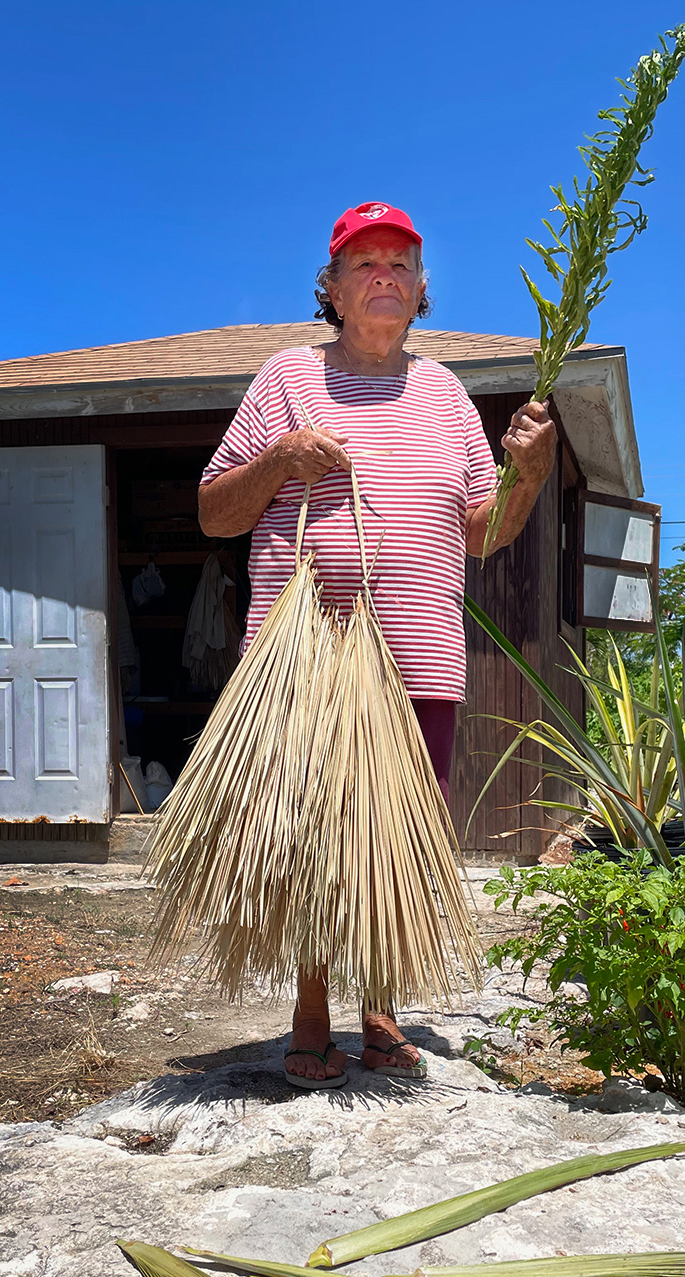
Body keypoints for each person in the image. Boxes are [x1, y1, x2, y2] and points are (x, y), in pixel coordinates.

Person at [199, 201, 557, 1088]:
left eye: (400, 262)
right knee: (313, 836)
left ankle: (380, 1011)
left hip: (420, 652)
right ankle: (309, 1014)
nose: (384, 275)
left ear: (422, 287)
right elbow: (214, 514)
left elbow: (484, 532)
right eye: (365, 263)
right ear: (330, 287)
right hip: (306, 654)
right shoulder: (286, 378)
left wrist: (530, 477)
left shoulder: (445, 394)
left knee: (393, 838)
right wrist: (281, 459)